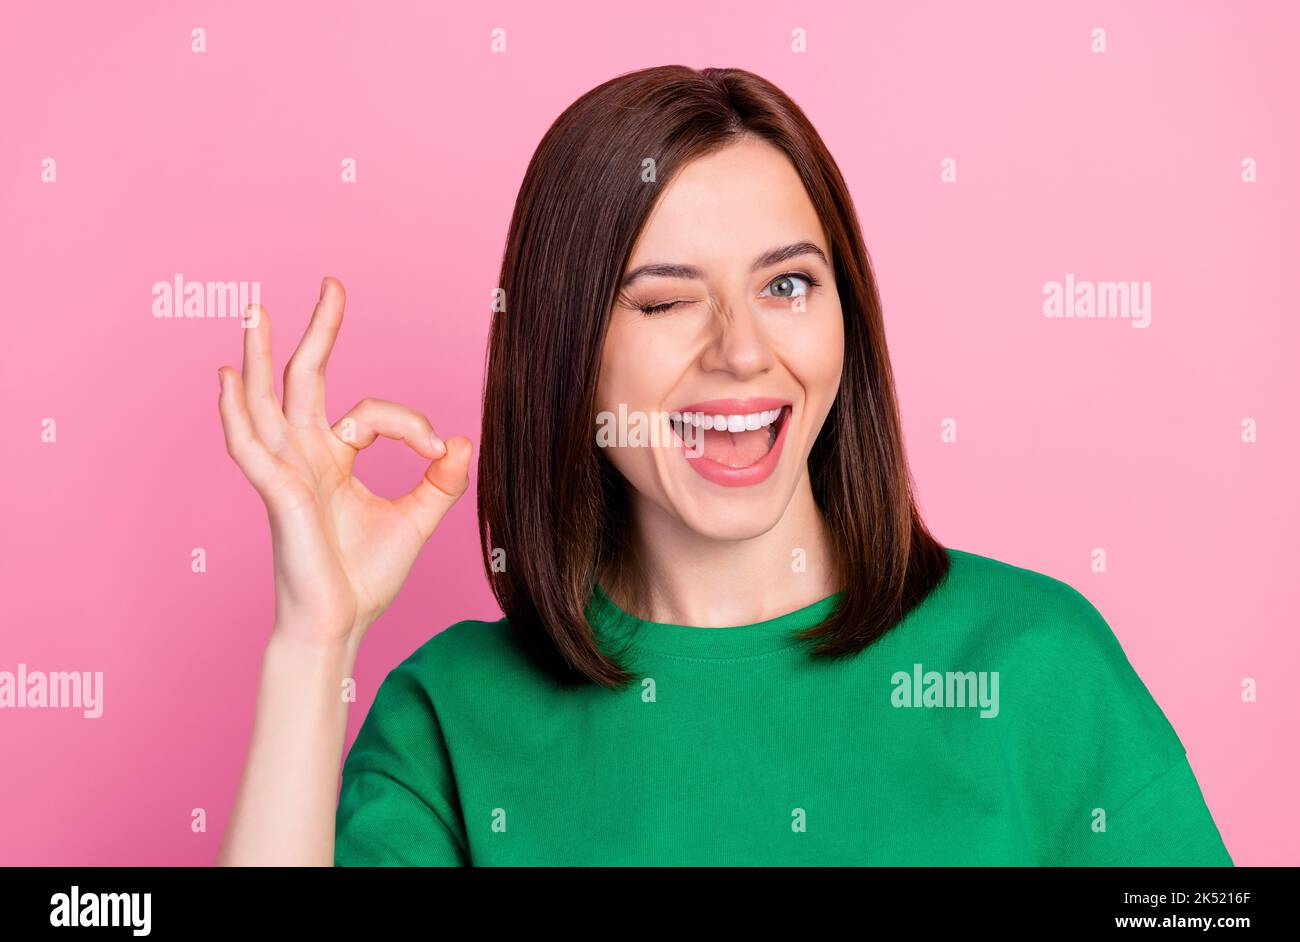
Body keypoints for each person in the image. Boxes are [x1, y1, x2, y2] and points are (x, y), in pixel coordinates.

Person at [214, 65, 1232, 866]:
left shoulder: (1034, 665)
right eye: (664, 300)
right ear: (566, 348)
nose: (743, 351)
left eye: (787, 283)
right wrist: (314, 641)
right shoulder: (449, 719)